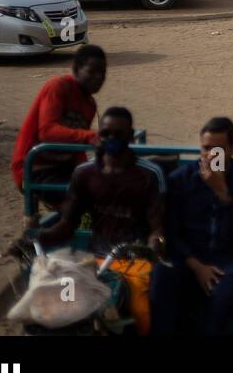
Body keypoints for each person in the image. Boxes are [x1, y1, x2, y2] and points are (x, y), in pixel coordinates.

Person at [38, 106, 166, 335]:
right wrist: (38, 237)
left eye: (118, 134)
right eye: (106, 134)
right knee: (55, 310)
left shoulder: (148, 174)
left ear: (130, 135)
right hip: (94, 261)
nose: (111, 139)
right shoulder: (84, 173)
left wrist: (153, 246)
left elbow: (157, 228)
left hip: (134, 261)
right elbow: (67, 223)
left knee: (142, 311)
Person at [152, 117, 233, 336]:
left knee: (219, 301)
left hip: (229, 258)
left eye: (218, 150)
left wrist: (222, 191)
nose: (211, 155)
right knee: (161, 277)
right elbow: (172, 231)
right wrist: (196, 266)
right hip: (189, 257)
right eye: (206, 148)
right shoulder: (181, 179)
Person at [10, 44, 106, 213]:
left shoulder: (90, 105)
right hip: (35, 168)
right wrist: (90, 136)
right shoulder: (58, 86)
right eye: (91, 72)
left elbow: (76, 148)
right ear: (76, 70)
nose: (98, 78)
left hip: (63, 168)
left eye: (102, 73)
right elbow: (47, 131)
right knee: (86, 200)